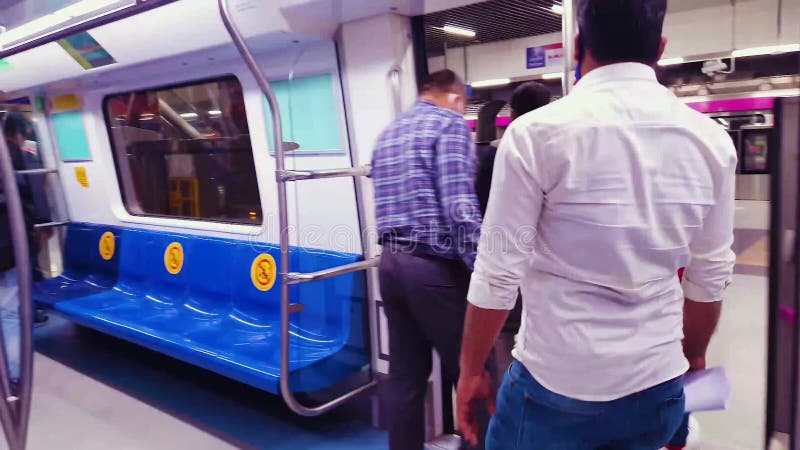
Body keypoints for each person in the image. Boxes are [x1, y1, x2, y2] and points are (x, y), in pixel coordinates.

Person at [455, 0, 737, 448]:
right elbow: (709, 276)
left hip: (555, 391)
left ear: (577, 46)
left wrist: (470, 372)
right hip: (659, 380)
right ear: (659, 49)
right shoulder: (713, 143)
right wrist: (693, 358)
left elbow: (497, 273)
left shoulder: (535, 135)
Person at [372, 69, 486, 450]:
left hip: (390, 265)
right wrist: (485, 270)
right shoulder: (451, 125)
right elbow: (459, 208)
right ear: (456, 98)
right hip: (432, 270)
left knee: (405, 378)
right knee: (474, 373)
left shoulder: (388, 134)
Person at [474, 82, 550, 382]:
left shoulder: (497, 154)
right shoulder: (565, 150)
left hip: (510, 260)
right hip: (551, 266)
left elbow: (481, 209)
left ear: (513, 113)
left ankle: (511, 392)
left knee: (506, 329)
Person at [1, 113, 53, 381]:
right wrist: (43, 223)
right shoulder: (16, 157)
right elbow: (32, 195)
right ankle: (14, 374)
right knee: (9, 312)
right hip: (8, 246)